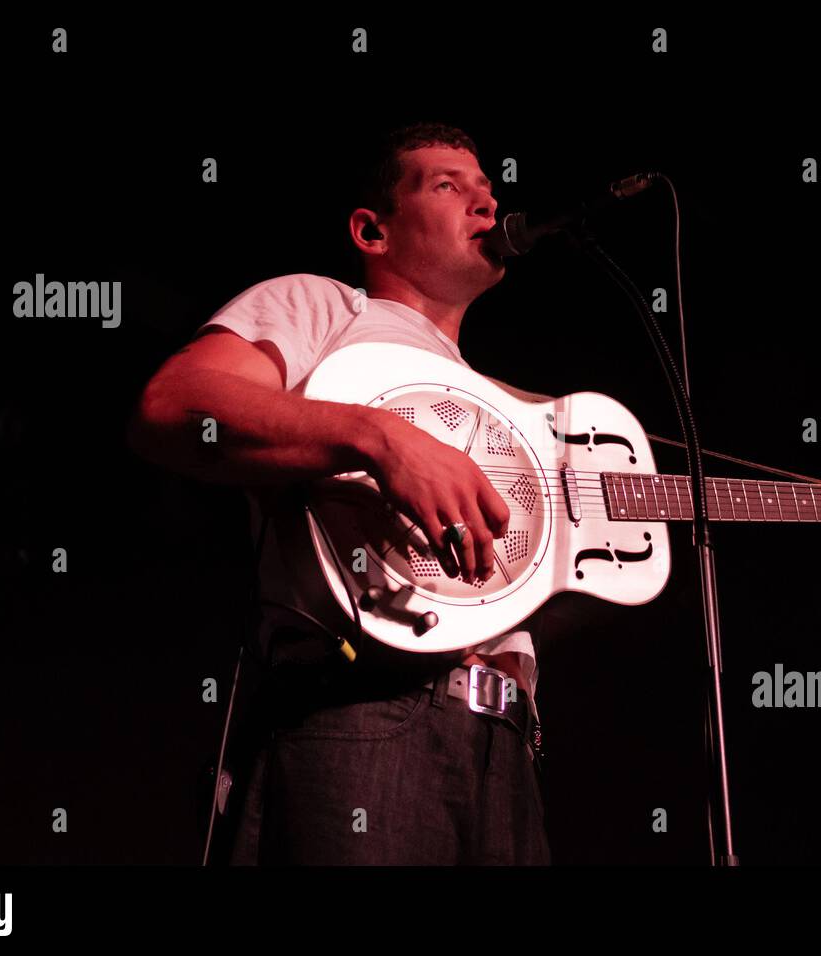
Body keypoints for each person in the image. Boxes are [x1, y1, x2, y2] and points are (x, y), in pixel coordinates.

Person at [128, 123, 553, 864]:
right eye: (448, 186)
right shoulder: (324, 308)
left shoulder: (507, 405)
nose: (487, 205)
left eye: (487, 189)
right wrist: (382, 439)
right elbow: (172, 405)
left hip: (505, 750)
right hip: (365, 712)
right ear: (371, 231)